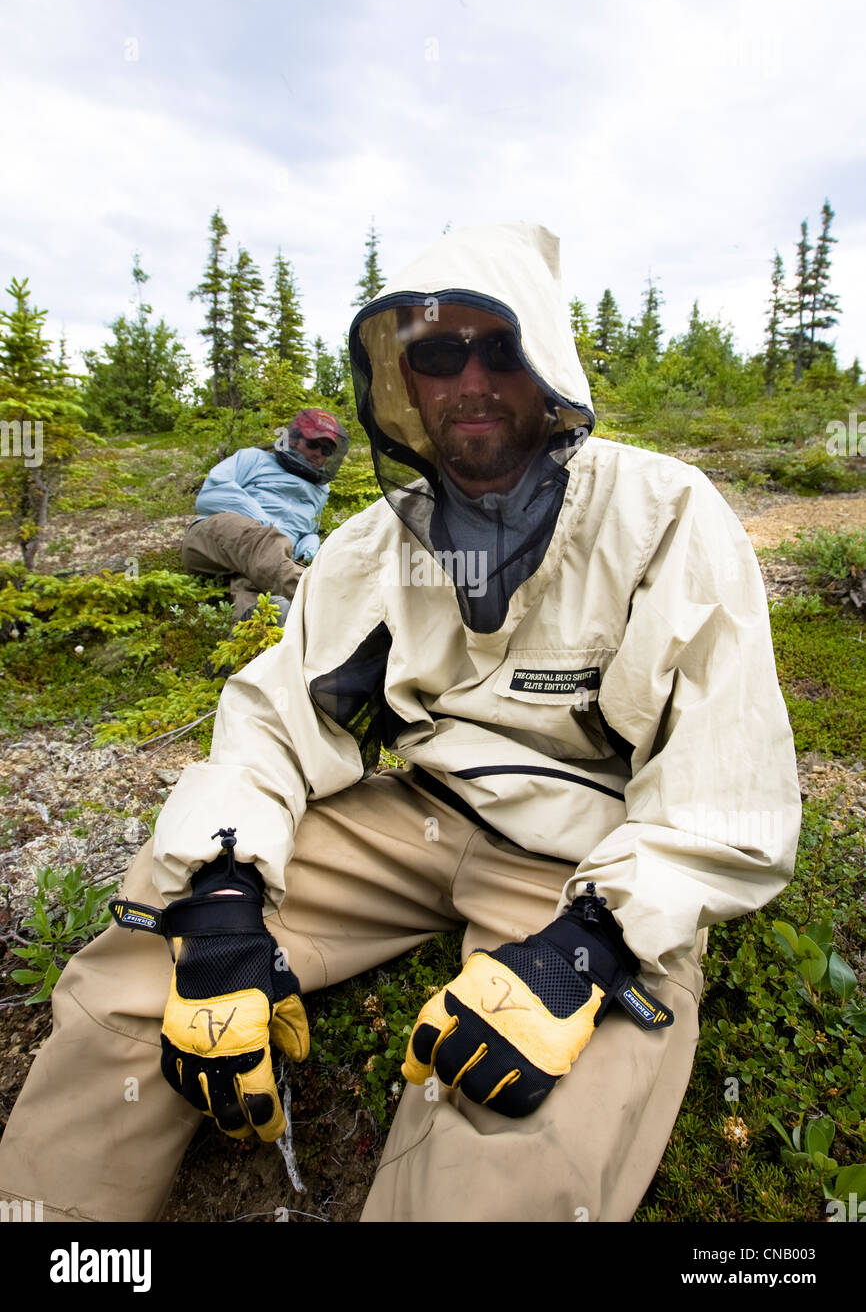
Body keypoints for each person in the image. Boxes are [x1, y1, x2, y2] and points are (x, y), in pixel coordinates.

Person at [0, 222, 801, 1223]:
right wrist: (217, 896)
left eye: (498, 347)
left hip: (598, 856)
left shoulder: (665, 514)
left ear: (546, 359)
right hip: (407, 816)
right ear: (402, 381)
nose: (468, 378)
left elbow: (723, 785)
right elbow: (276, 716)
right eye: (433, 353)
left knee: (515, 1116)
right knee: (149, 969)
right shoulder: (372, 546)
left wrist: (590, 945)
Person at [181, 408, 349, 623]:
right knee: (265, 547)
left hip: (262, 559)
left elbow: (309, 528)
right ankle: (328, 597)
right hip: (211, 539)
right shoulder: (254, 458)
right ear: (295, 439)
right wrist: (263, 523)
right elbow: (211, 493)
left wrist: (310, 541)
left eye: (326, 449)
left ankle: (257, 634)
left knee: (259, 586)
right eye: (313, 443)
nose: (319, 453)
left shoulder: (320, 491)